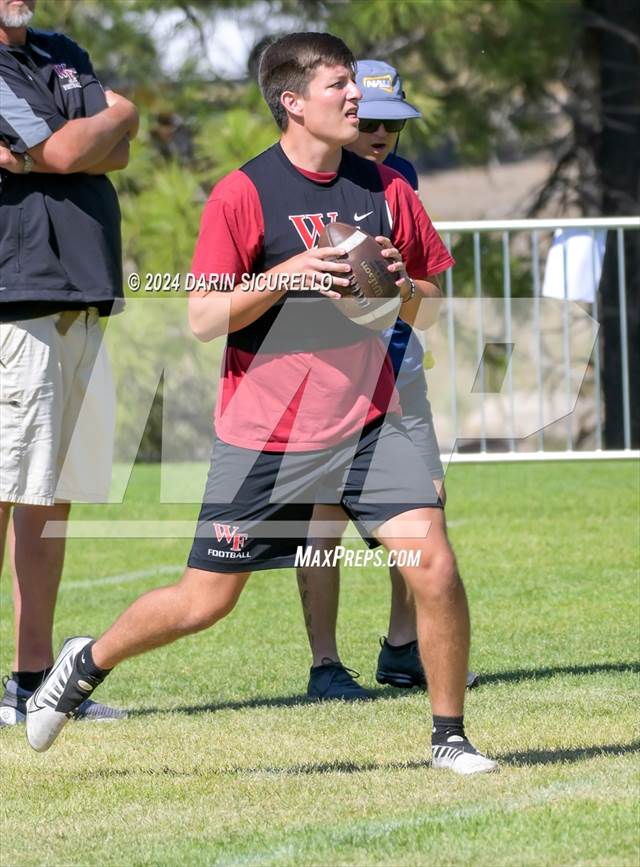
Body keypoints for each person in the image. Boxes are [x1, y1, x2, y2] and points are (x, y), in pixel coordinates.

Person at [25, 32, 497, 775]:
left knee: (431, 562)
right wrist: (293, 273)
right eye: (339, 85)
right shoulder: (244, 193)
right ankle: (88, 660)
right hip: (268, 435)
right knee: (203, 602)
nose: (355, 97)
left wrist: (396, 290)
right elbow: (204, 317)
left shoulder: (387, 191)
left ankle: (449, 736)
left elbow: (433, 303)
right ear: (292, 102)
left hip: (372, 420)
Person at [299, 59, 477, 700]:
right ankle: (325, 666)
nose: (380, 134)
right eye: (369, 121)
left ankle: (404, 648)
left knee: (429, 502)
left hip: (398, 365)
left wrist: (401, 288)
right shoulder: (306, 181)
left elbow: (426, 288)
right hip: (327, 379)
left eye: (392, 126)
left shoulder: (400, 179)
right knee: (324, 517)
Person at [0, 0, 138, 727]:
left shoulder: (58, 48)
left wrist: (105, 126)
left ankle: (30, 680)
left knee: (49, 498)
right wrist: (76, 140)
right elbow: (61, 152)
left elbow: (117, 134)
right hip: (17, 300)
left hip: (79, 291)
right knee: (3, 491)